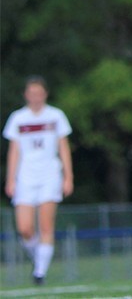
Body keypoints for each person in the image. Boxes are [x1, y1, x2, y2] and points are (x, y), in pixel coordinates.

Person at [3, 76, 74, 286]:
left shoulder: (56, 116)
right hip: (25, 176)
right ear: (26, 95)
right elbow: (14, 151)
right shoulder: (18, 118)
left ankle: (40, 273)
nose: (36, 97)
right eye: (32, 93)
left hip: (50, 175)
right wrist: (10, 179)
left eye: (39, 93)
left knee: (46, 226)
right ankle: (39, 259)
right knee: (25, 229)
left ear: (45, 94)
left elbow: (63, 147)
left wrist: (68, 176)